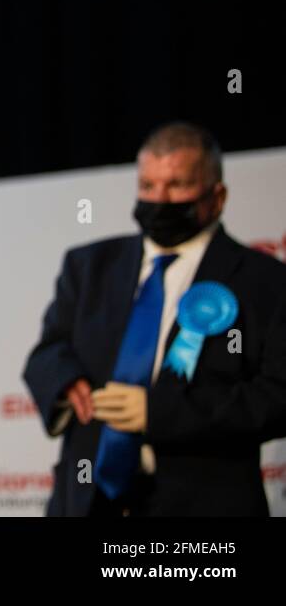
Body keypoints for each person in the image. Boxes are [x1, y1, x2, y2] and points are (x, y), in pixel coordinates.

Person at [24, 122, 286, 516]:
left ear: (217, 196)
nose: (159, 199)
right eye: (147, 186)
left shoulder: (265, 281)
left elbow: (277, 398)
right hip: (85, 502)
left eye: (177, 185)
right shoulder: (88, 266)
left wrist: (159, 412)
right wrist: (64, 381)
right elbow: (48, 351)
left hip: (204, 506)